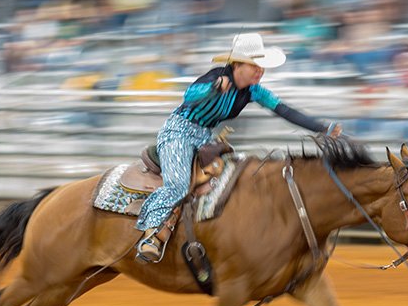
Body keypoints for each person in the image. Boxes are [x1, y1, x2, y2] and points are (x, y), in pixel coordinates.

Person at [135, 32, 342, 263]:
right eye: (255, 66)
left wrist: (321, 128)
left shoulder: (254, 91)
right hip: (177, 133)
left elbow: (284, 110)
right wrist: (214, 88)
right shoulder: (216, 77)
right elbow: (190, 95)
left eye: (261, 67)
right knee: (179, 186)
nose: (260, 71)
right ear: (237, 65)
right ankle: (151, 236)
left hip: (204, 137)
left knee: (238, 177)